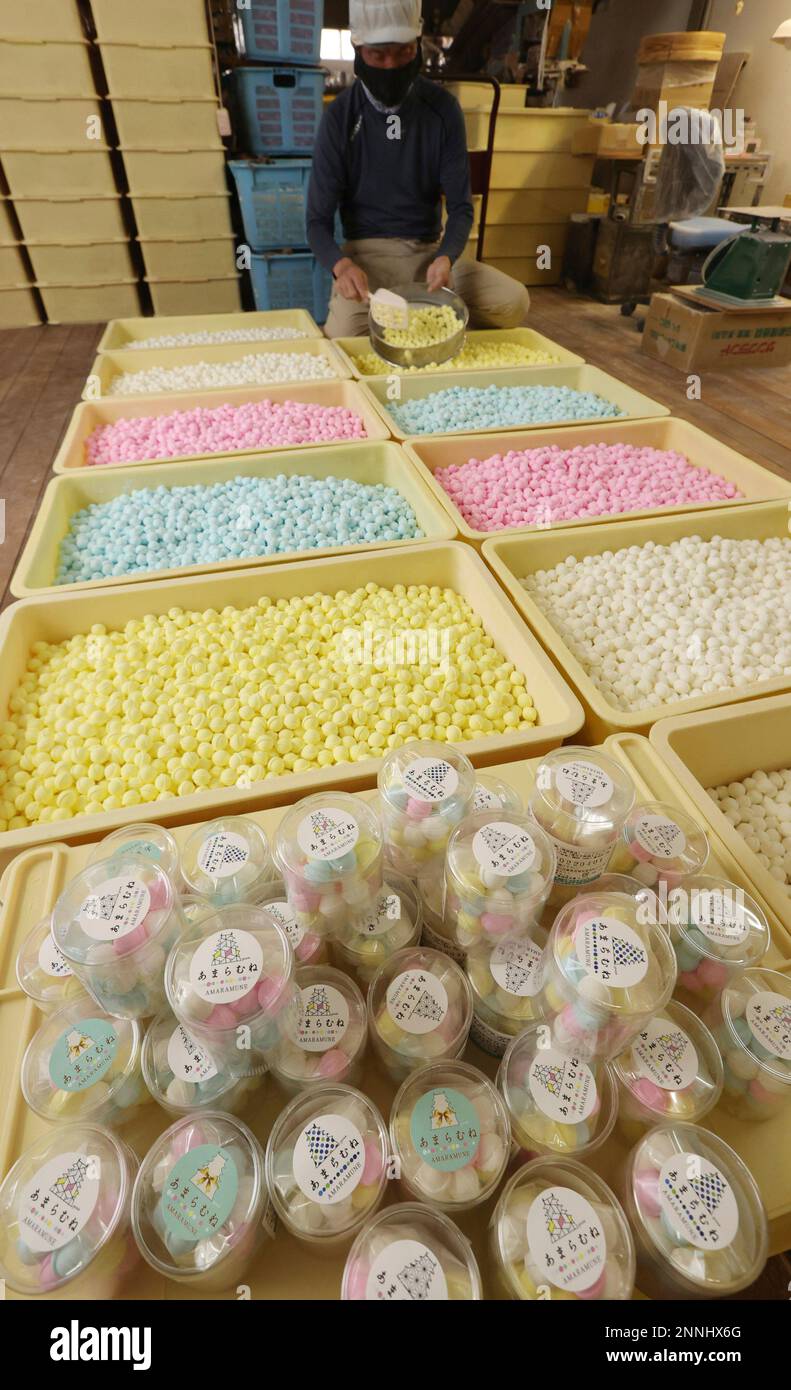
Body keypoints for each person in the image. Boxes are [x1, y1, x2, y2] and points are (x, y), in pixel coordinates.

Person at [307, 0, 531, 338]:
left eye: (404, 53)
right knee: (344, 337)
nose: (391, 64)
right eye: (378, 56)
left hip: (428, 261)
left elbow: (459, 210)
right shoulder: (340, 116)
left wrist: (446, 258)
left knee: (514, 301)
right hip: (368, 263)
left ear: (418, 44)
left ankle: (431, 323)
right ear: (358, 48)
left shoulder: (442, 110)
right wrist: (342, 267)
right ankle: (432, 325)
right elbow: (316, 223)